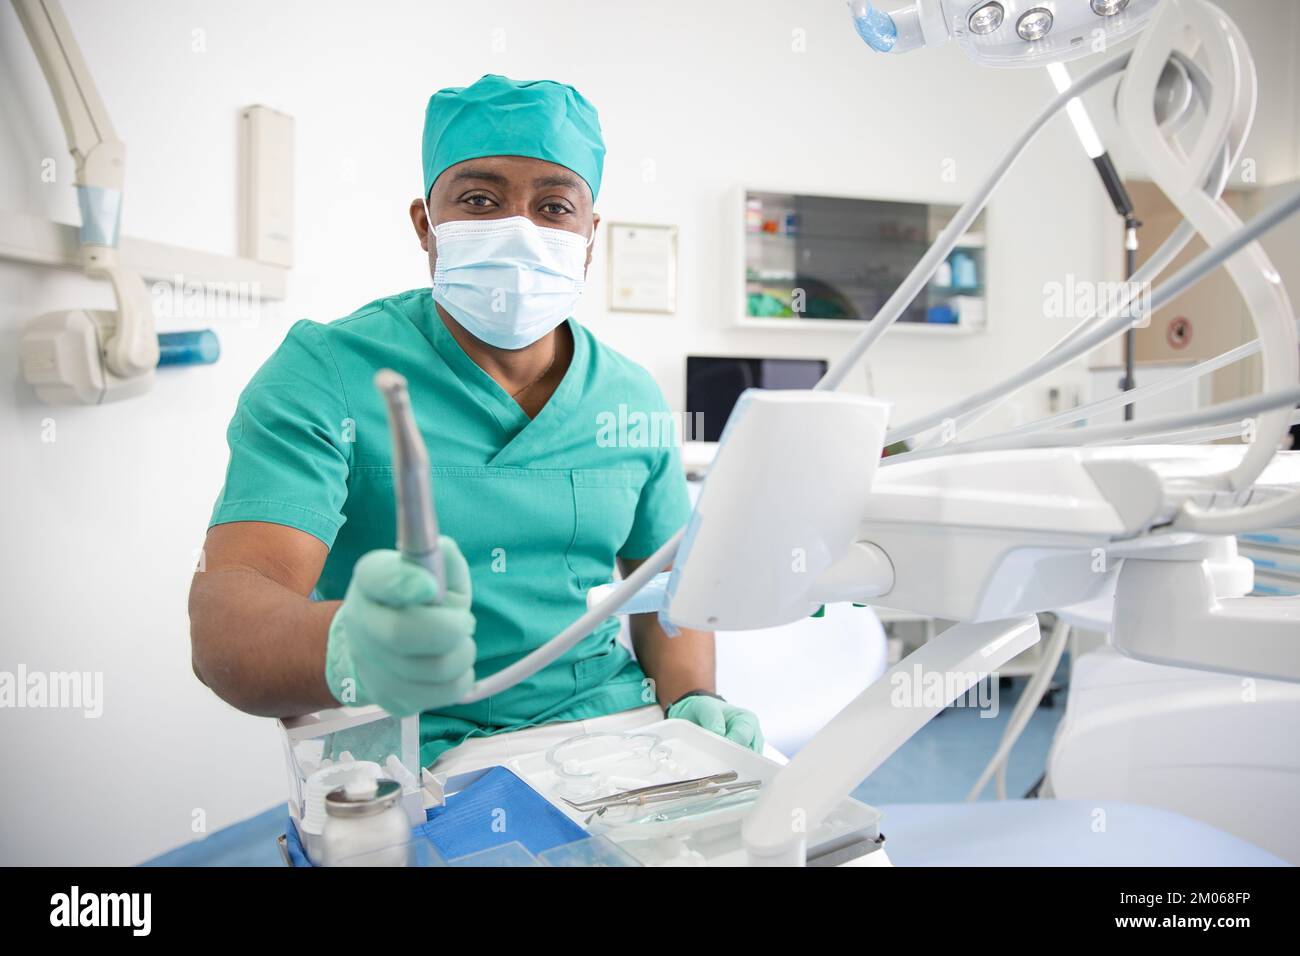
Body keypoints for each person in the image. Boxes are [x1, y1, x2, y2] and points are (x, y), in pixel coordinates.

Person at [188, 74, 763, 767]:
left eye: (554, 207)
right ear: (425, 224)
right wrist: (354, 647)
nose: (519, 230)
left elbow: (669, 595)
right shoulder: (327, 373)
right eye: (481, 200)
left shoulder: (630, 399)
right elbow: (228, 623)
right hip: (408, 753)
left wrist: (695, 698)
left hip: (605, 737)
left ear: (589, 234)